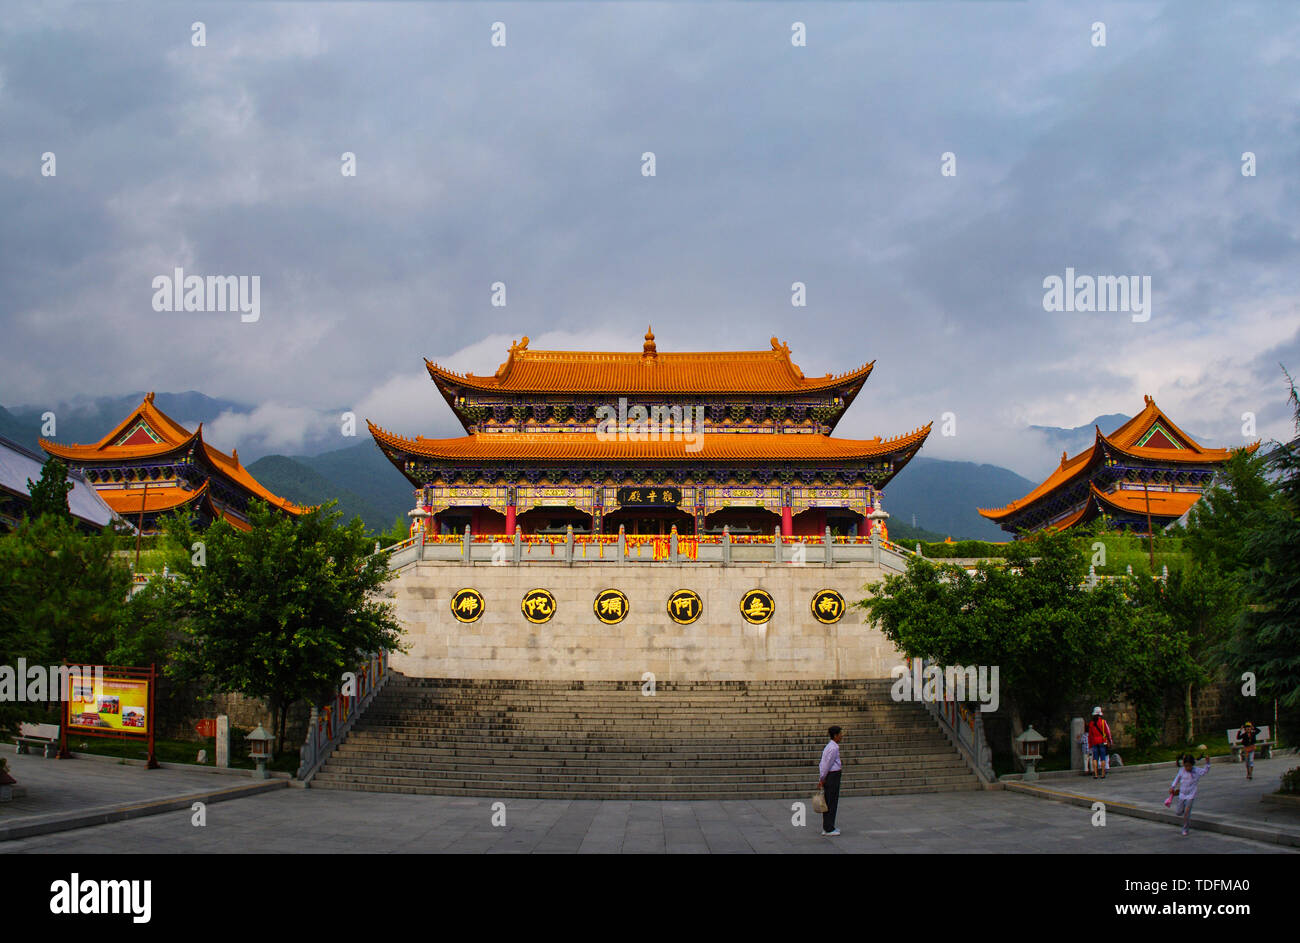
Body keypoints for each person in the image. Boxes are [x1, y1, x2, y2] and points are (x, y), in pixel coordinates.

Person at [1168, 753, 1210, 836]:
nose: (1188, 768)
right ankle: (1181, 805)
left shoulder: (1196, 771)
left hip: (1191, 795)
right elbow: (1177, 779)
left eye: (1189, 766)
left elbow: (1205, 771)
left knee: (1187, 812)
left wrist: (1207, 762)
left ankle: (1185, 828)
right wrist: (1172, 787)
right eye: (1186, 766)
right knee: (1178, 812)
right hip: (1182, 794)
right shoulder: (1181, 770)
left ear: (1192, 764)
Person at [818, 725, 843, 837]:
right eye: (840, 734)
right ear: (835, 735)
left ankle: (829, 826)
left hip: (830, 776)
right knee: (831, 802)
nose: (841, 736)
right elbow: (827, 764)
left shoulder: (830, 747)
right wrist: (822, 778)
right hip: (832, 776)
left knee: (829, 801)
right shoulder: (833, 748)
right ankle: (828, 828)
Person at [1086, 707, 1113, 780]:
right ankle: (1103, 774)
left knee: (1095, 758)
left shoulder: (1091, 724)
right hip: (1102, 741)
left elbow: (1090, 735)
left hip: (1094, 742)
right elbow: (1108, 732)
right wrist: (1110, 741)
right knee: (1103, 758)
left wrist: (1090, 744)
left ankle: (1095, 774)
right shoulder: (1103, 722)